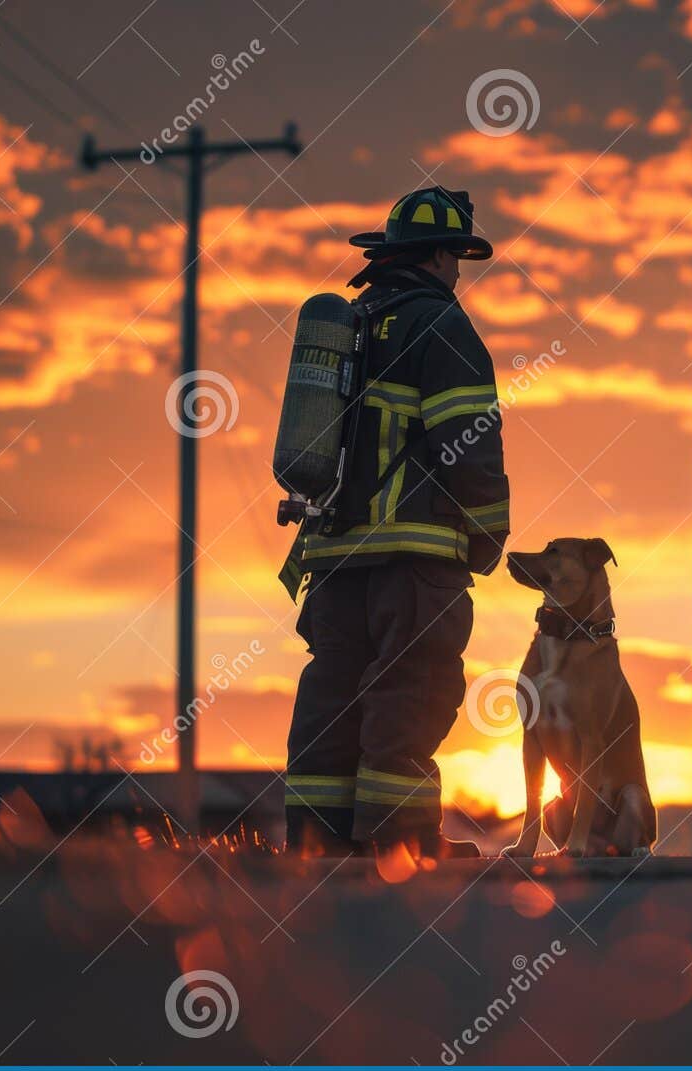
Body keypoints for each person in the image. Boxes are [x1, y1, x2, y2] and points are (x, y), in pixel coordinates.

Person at [280, 186, 509, 858]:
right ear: (437, 256)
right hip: (414, 559)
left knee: (333, 695)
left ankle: (318, 845)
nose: (457, 272)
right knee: (411, 690)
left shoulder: (349, 325)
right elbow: (468, 441)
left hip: (332, 557)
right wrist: (488, 533)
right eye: (456, 258)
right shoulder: (441, 326)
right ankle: (398, 845)